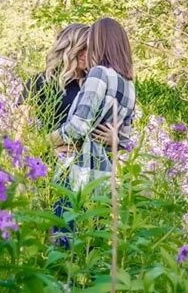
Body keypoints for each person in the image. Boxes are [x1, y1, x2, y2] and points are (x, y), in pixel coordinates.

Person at [50, 17, 136, 193]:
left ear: (99, 43)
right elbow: (124, 141)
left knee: (62, 220)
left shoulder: (99, 73)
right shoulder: (129, 85)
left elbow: (78, 127)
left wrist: (45, 141)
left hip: (77, 174)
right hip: (103, 179)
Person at [21, 23, 114, 147]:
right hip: (43, 162)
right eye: (82, 48)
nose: (87, 54)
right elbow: (21, 133)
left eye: (91, 49)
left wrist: (114, 141)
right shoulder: (40, 82)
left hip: (85, 163)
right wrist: (49, 151)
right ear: (68, 47)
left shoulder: (93, 86)